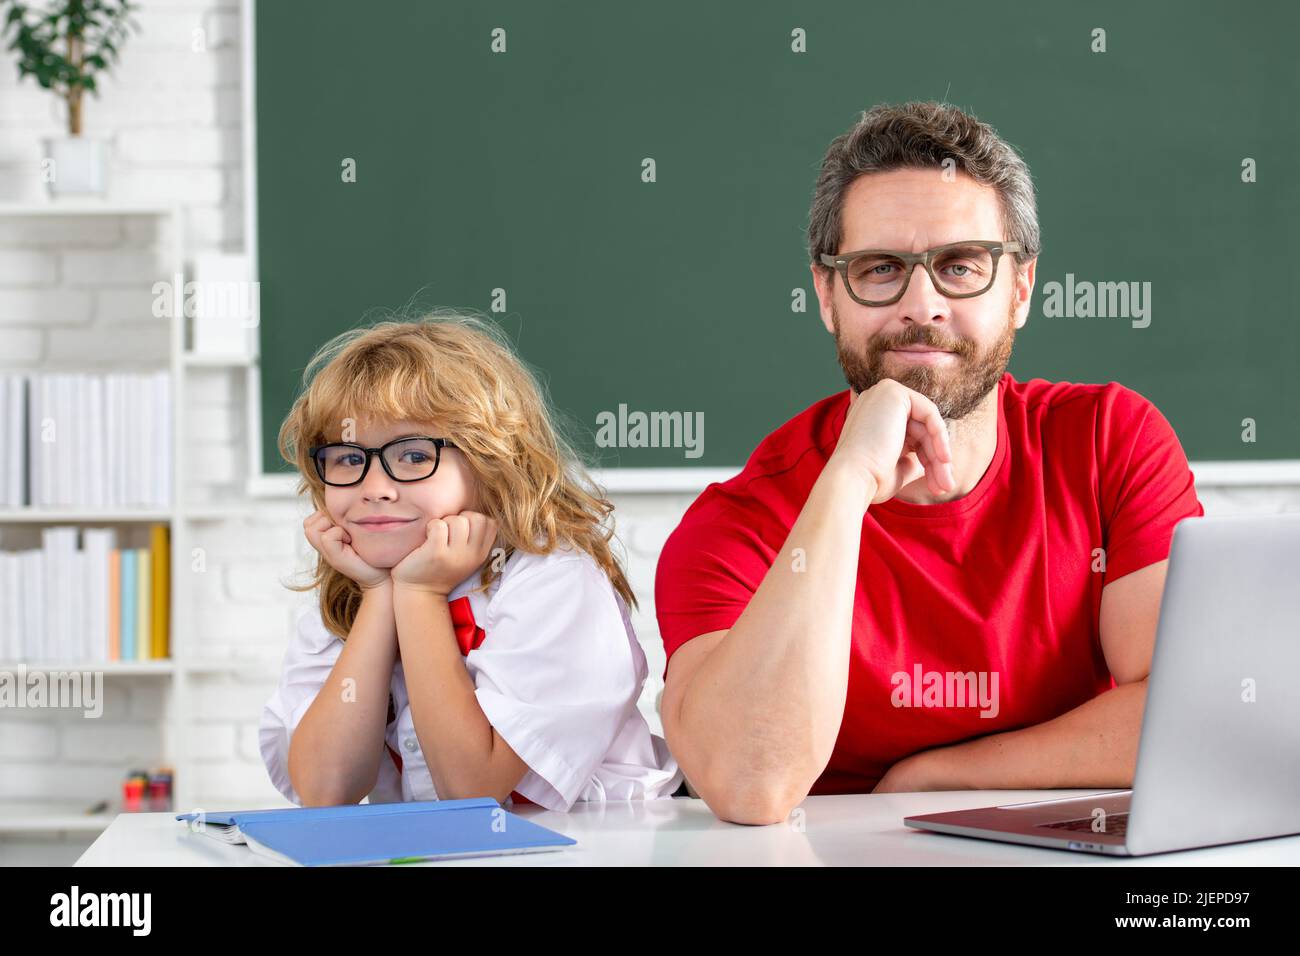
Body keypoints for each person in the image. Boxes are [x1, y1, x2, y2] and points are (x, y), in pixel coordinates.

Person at [654, 101, 1203, 824]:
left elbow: (1191, 713)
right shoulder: (741, 523)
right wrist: (846, 484)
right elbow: (750, 785)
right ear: (826, 295)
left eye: (961, 267)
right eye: (879, 269)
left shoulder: (1111, 442)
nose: (923, 305)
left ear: (1021, 289)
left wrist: (944, 775)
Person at [261, 312, 683, 810]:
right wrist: (380, 597)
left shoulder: (554, 582)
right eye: (348, 459)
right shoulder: (355, 589)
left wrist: (419, 596)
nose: (374, 489)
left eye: (415, 457)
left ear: (491, 463)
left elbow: (473, 790)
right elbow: (325, 789)